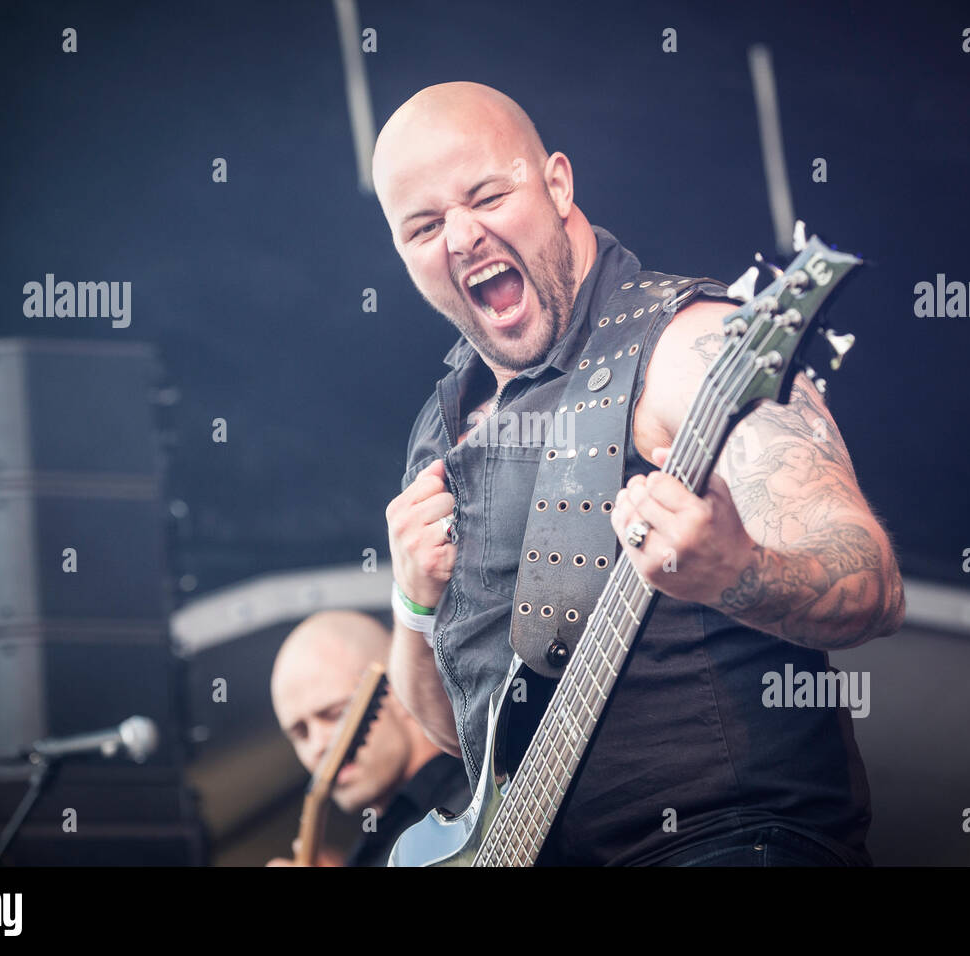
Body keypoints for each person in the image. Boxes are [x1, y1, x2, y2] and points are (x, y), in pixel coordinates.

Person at [375, 81, 906, 866]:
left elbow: (873, 585)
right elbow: (458, 735)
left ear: (557, 183)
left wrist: (737, 571)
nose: (460, 237)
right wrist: (413, 604)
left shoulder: (690, 345)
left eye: (486, 194)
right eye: (424, 226)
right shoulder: (442, 427)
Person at [266, 610, 470, 866]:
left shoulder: (478, 796)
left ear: (395, 688)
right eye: (300, 733)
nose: (317, 745)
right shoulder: (370, 848)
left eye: (334, 714)